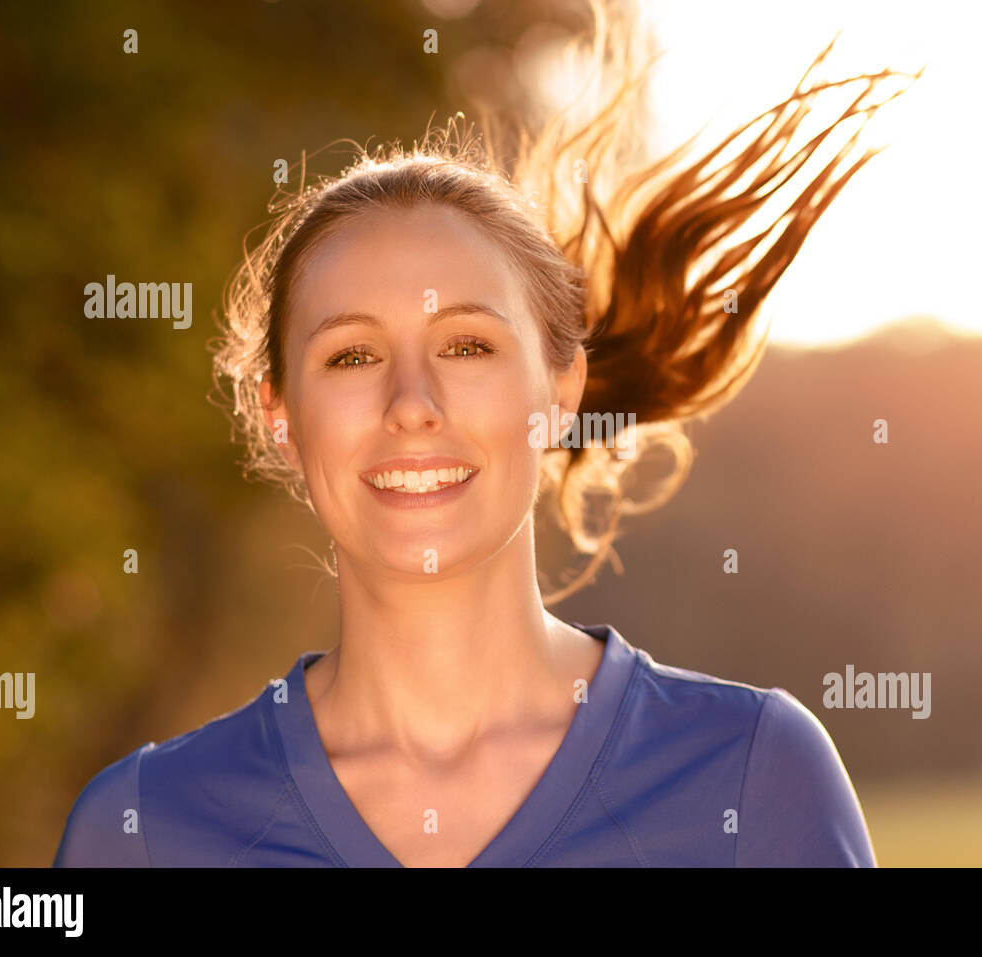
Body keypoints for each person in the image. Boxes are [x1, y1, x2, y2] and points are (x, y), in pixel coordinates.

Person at [55, 0, 908, 867]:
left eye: (467, 345)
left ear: (563, 389)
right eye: (351, 355)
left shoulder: (753, 777)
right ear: (279, 413)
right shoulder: (141, 830)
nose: (411, 401)